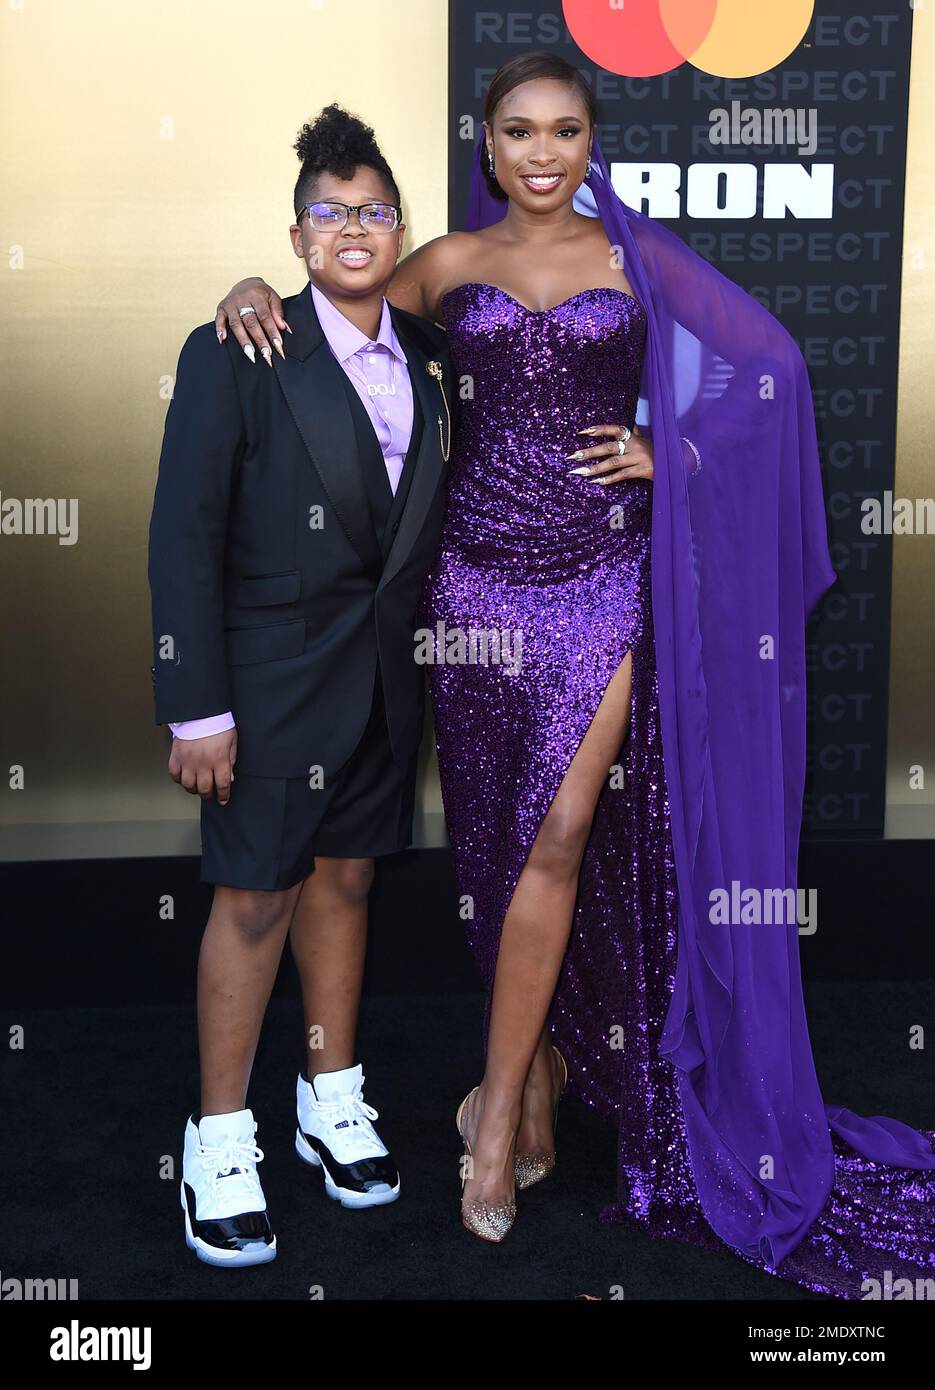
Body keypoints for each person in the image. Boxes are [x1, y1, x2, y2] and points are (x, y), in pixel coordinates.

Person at [214, 55, 935, 1295]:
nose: (540, 153)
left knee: (558, 830)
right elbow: (336, 306)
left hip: (603, 586)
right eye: (516, 132)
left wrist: (676, 449)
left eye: (563, 130)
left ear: (591, 140)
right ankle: (538, 1074)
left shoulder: (635, 261)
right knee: (498, 848)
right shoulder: (440, 263)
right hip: (472, 594)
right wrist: (249, 287)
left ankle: (493, 1119)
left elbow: (770, 374)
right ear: (485, 145)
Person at [149, 105, 455, 1266]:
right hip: (264, 691)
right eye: (330, 212)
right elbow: (182, 536)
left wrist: (656, 444)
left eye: (374, 211)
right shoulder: (238, 345)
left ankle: (330, 1097)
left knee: (347, 884)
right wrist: (197, 705)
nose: (354, 228)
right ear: (297, 235)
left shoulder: (432, 359)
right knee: (255, 900)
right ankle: (219, 1138)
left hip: (382, 685)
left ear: (397, 227)